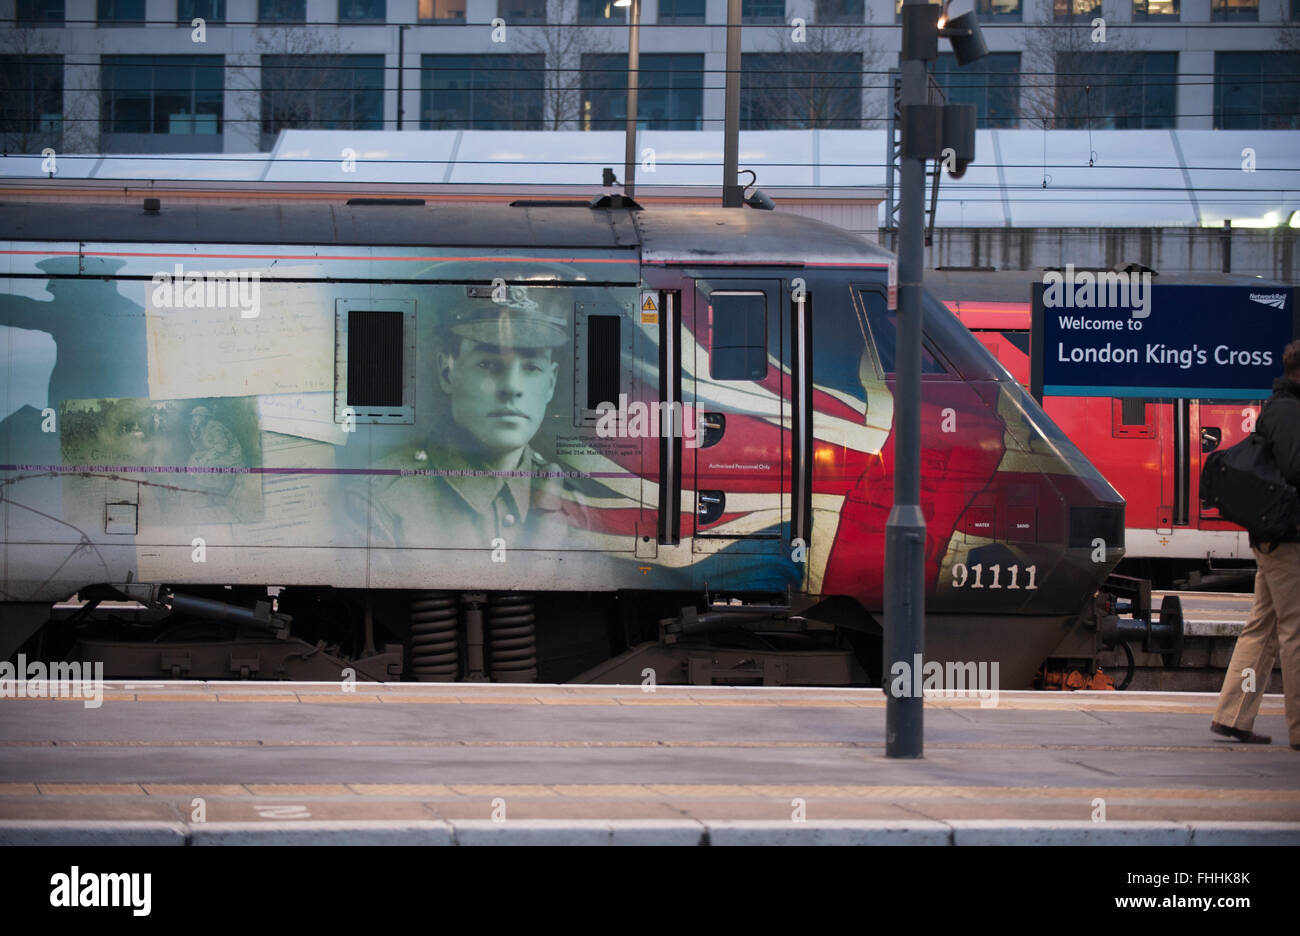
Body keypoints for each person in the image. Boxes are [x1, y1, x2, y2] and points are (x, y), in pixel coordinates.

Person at [373, 288, 588, 550]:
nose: (512, 387)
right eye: (487, 364)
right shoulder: (381, 504)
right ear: (447, 372)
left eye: (531, 367)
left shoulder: (575, 506)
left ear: (551, 383)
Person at [1211, 339, 1300, 751]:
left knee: (1263, 627)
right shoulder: (1289, 411)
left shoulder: (1280, 407)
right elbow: (1296, 468)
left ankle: (1233, 716)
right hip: (1287, 538)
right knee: (1294, 630)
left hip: (1274, 536)